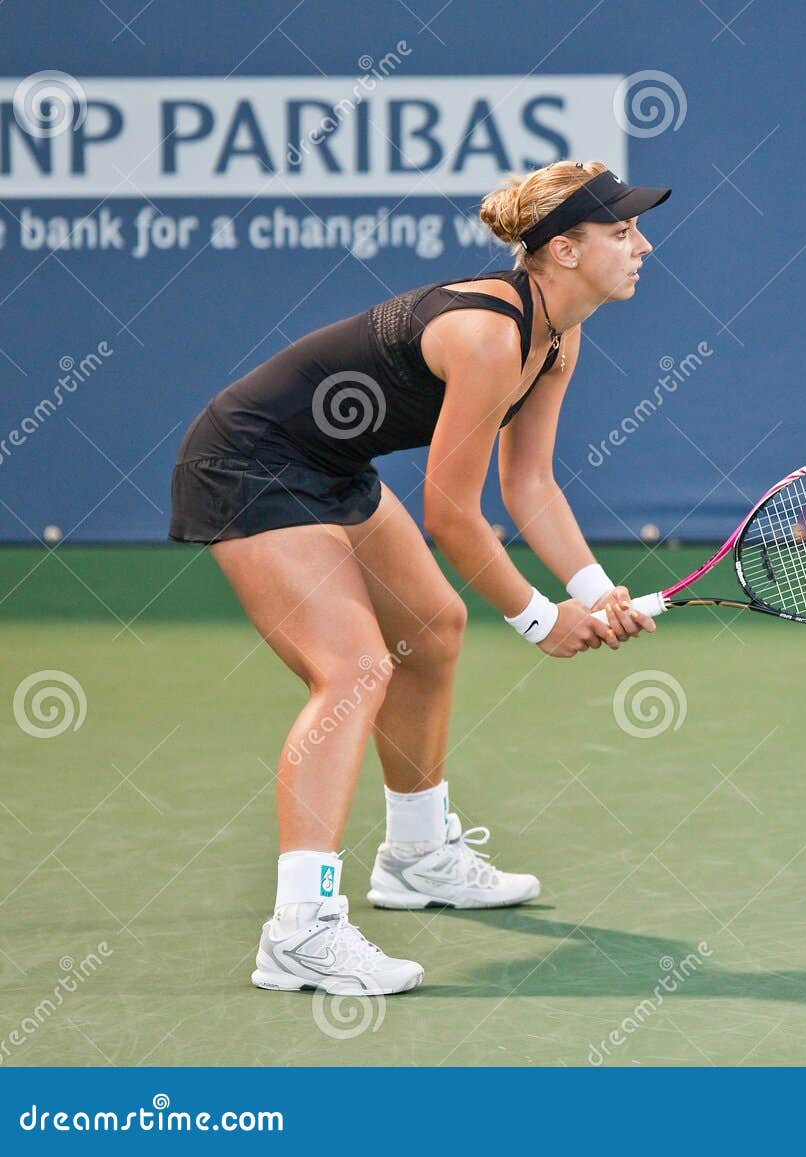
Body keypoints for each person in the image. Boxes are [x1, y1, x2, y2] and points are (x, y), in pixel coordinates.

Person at [168, 160, 669, 995]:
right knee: (354, 669)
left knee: (432, 628)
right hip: (248, 462)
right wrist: (540, 620)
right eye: (621, 232)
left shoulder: (556, 336)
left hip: (331, 466)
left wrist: (592, 591)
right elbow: (452, 516)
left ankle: (416, 854)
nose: (642, 246)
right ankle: (299, 929)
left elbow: (530, 484)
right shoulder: (489, 335)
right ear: (564, 250)